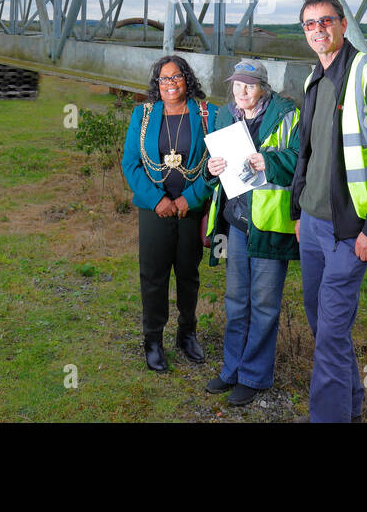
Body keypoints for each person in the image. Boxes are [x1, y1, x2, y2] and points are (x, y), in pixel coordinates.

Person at [290, 0, 367, 423]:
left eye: (326, 21)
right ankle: (352, 407)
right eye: (310, 24)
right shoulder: (314, 80)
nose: (318, 29)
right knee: (324, 326)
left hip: (350, 230)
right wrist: (300, 211)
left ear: (342, 24)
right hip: (315, 225)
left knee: (330, 333)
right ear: (305, 32)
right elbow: (308, 152)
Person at [203, 59, 300, 406]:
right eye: (237, 84)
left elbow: (302, 161)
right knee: (235, 300)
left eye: (250, 85)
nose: (241, 91)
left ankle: (254, 376)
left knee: (263, 303)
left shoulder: (288, 115)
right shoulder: (225, 115)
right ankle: (231, 370)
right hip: (236, 224)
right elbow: (210, 166)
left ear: (263, 87)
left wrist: (269, 162)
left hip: (269, 225)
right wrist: (210, 169)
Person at [121, 55, 218, 372]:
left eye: (176, 77)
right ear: (156, 84)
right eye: (163, 79)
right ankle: (153, 340)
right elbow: (131, 164)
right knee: (153, 276)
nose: (170, 84)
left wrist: (192, 197)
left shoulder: (207, 115)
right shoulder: (143, 115)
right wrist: (157, 199)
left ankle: (187, 334)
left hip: (191, 209)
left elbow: (216, 164)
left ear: (186, 80)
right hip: (156, 212)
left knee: (189, 275)